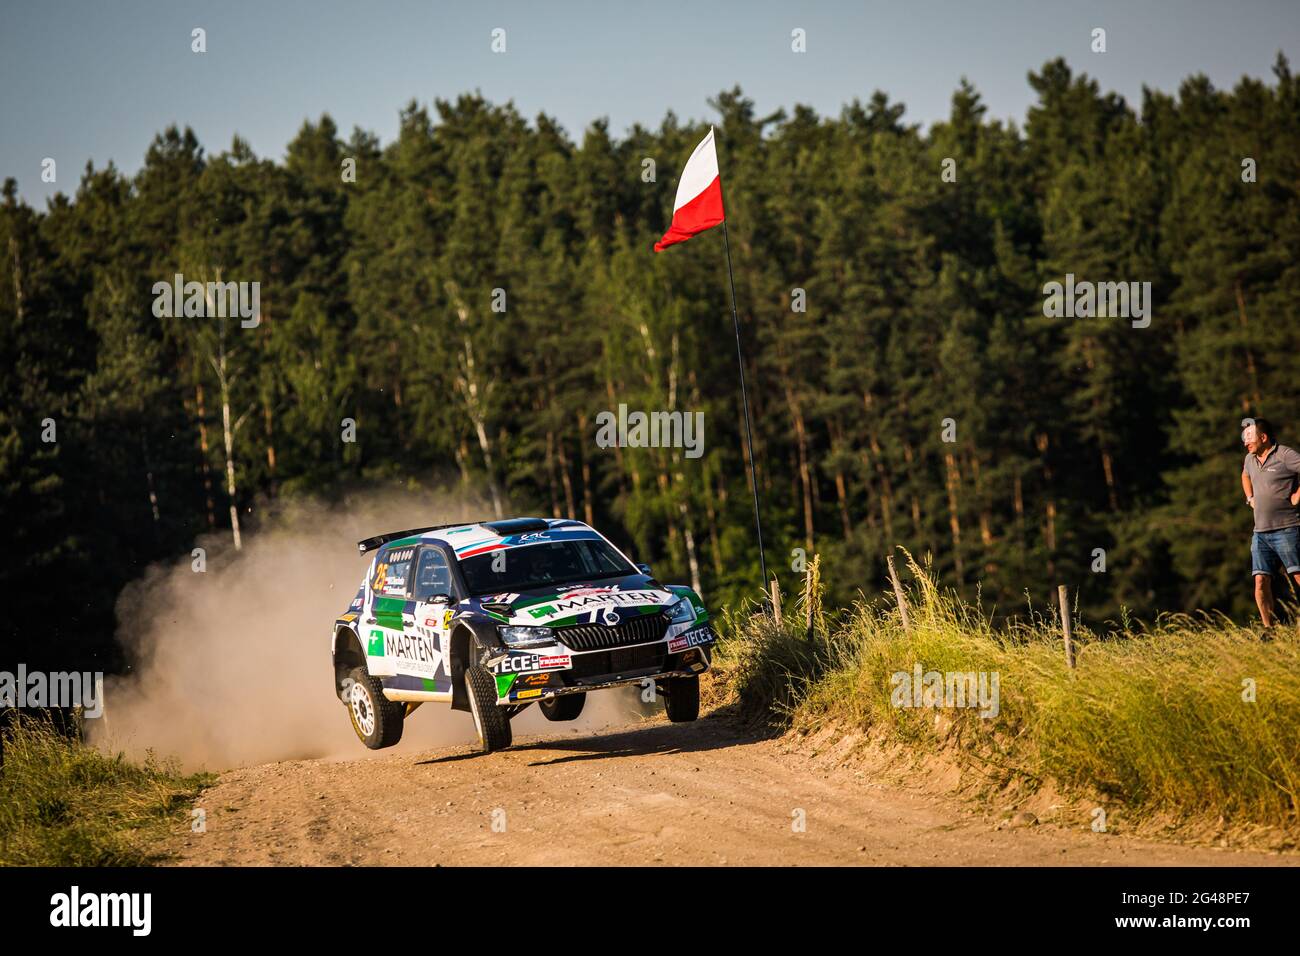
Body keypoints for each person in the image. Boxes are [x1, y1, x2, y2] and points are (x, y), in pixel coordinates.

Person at [1241, 418, 1300, 626]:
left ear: (1263, 437)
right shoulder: (1249, 459)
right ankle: (1268, 630)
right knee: (1260, 581)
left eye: (1249, 438)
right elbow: (1245, 476)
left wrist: (1297, 495)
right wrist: (1250, 498)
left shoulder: (1284, 455)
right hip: (1261, 533)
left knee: (1298, 577)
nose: (1245, 442)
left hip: (1287, 529)